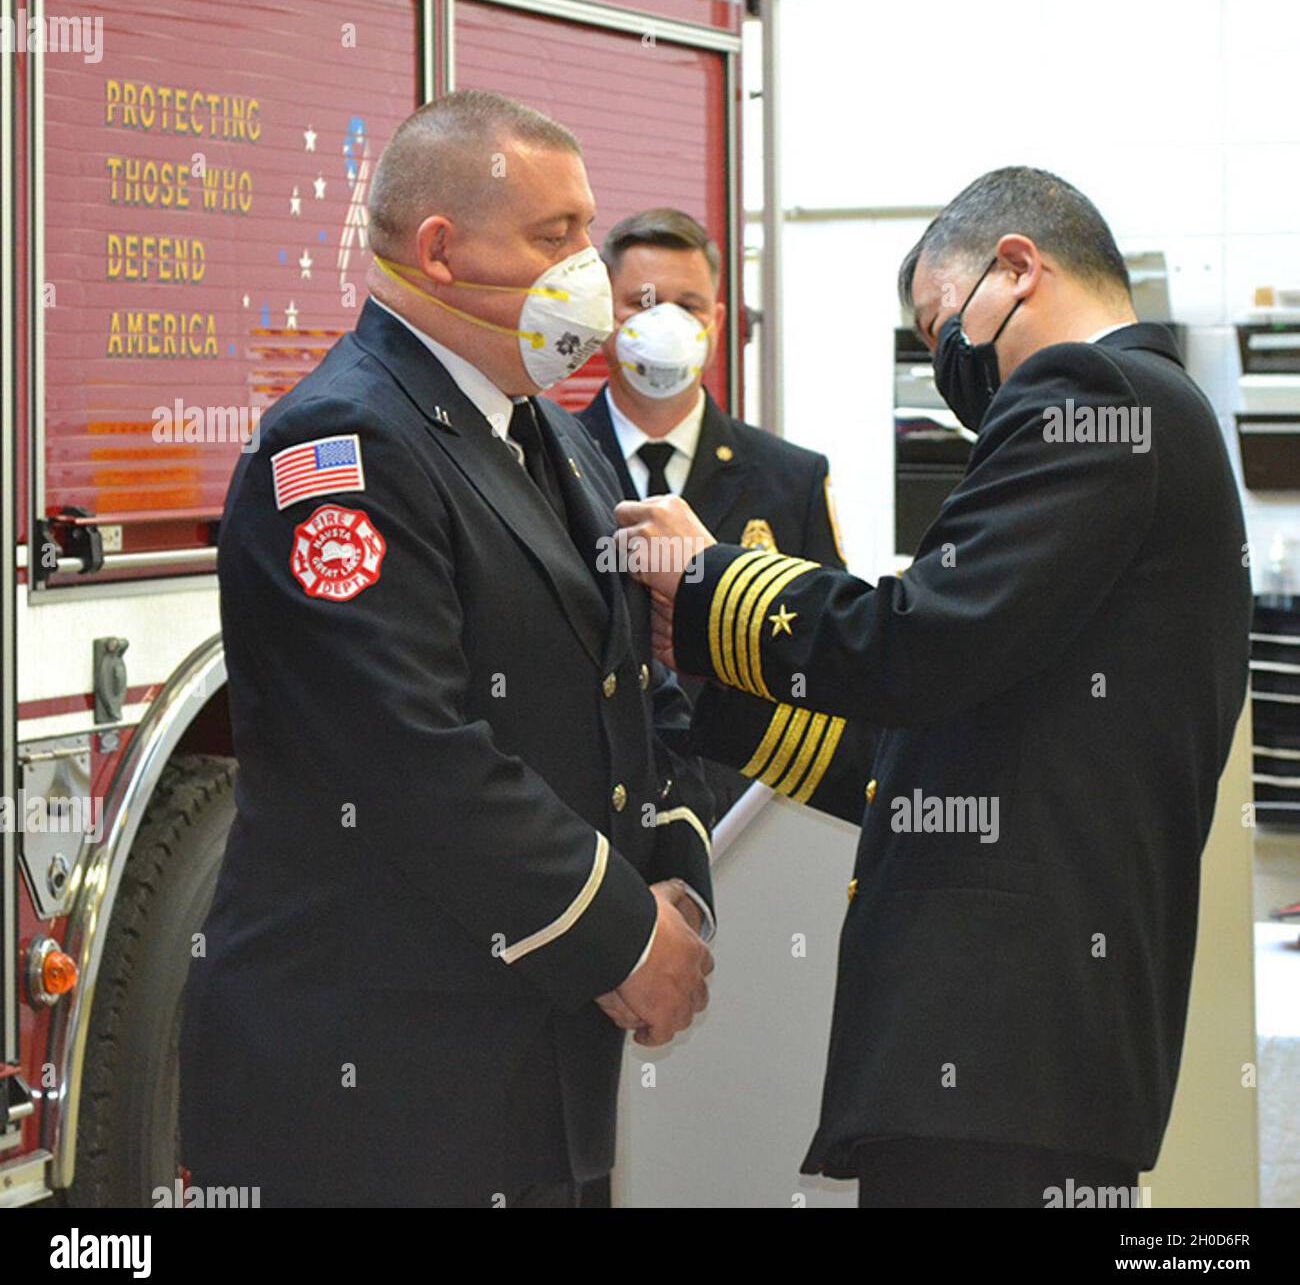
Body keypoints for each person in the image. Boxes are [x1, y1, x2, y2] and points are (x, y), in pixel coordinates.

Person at [613, 166, 1252, 1208]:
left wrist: (708, 575)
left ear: (1016, 267)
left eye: (939, 328)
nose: (942, 364)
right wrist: (716, 676)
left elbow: (917, 643)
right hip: (1031, 1056)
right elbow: (928, 740)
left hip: (1001, 1042)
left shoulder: (1094, 396)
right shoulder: (1154, 413)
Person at [179, 90, 715, 1209]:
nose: (590, 273)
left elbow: (631, 689)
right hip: (379, 1089)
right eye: (553, 236)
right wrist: (626, 937)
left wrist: (677, 878)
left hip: (529, 1065)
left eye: (587, 232)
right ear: (439, 248)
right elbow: (408, 754)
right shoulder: (341, 444)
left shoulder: (554, 432)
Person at [580, 207, 849, 814]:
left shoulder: (791, 477)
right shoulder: (546, 462)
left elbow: (828, 650)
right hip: (598, 813)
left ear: (716, 321)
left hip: (746, 807)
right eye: (643, 305)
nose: (666, 324)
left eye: (689, 306)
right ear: (604, 315)